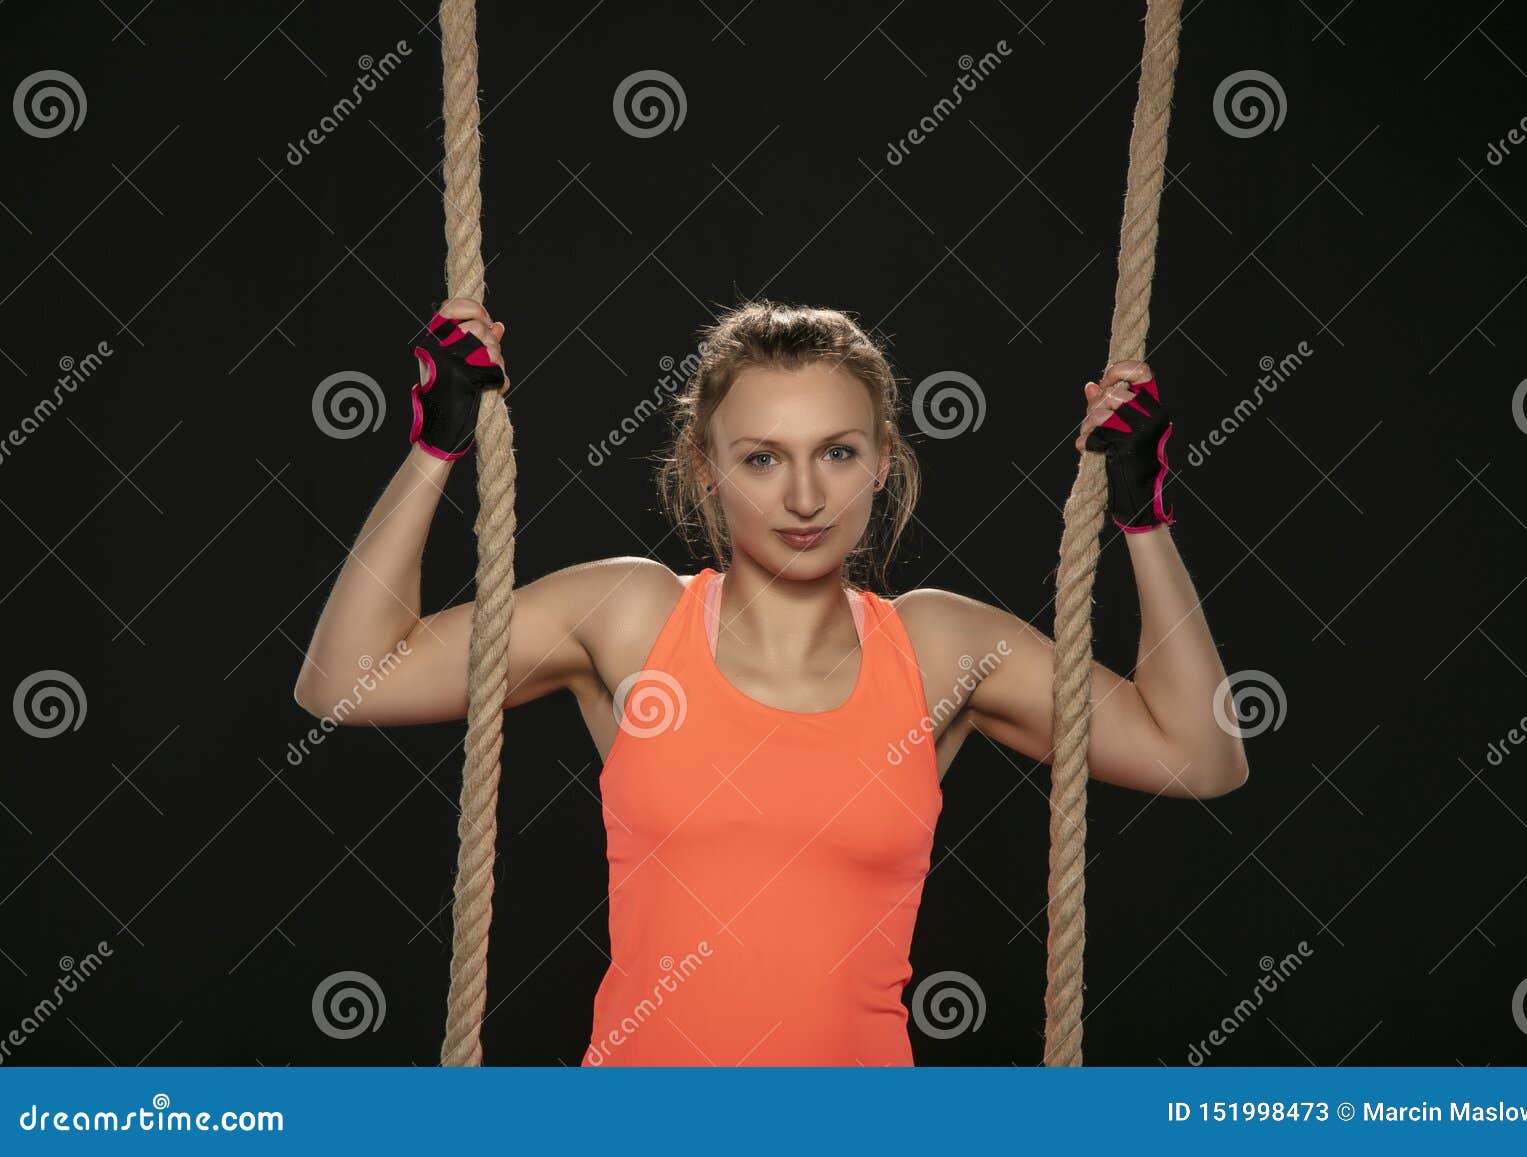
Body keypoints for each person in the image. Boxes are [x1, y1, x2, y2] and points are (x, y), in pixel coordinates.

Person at [293, 296, 1249, 1066]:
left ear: (883, 460)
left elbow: (1200, 756)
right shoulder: (630, 618)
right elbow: (344, 680)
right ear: (705, 470)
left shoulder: (940, 646)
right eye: (762, 459)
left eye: (837, 452)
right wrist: (434, 451)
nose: (804, 497)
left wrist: (1144, 520)